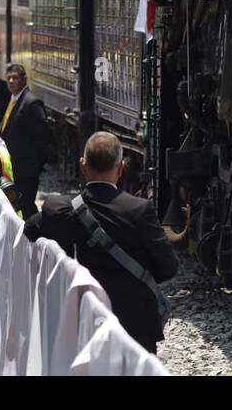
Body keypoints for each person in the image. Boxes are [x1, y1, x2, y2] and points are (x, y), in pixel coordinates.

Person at [24, 131, 178, 353]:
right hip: (133, 327)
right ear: (121, 168)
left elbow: (28, 229)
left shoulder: (59, 210)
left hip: (81, 323)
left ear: (82, 165)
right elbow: (169, 266)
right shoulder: (139, 210)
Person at [0, 63, 48, 218]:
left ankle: (35, 236)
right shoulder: (13, 100)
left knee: (26, 206)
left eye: (15, 78)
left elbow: (42, 137)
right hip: (13, 167)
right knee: (17, 206)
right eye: (9, 78)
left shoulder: (31, 102)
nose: (12, 81)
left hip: (26, 168)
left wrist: (37, 164)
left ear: (24, 80)